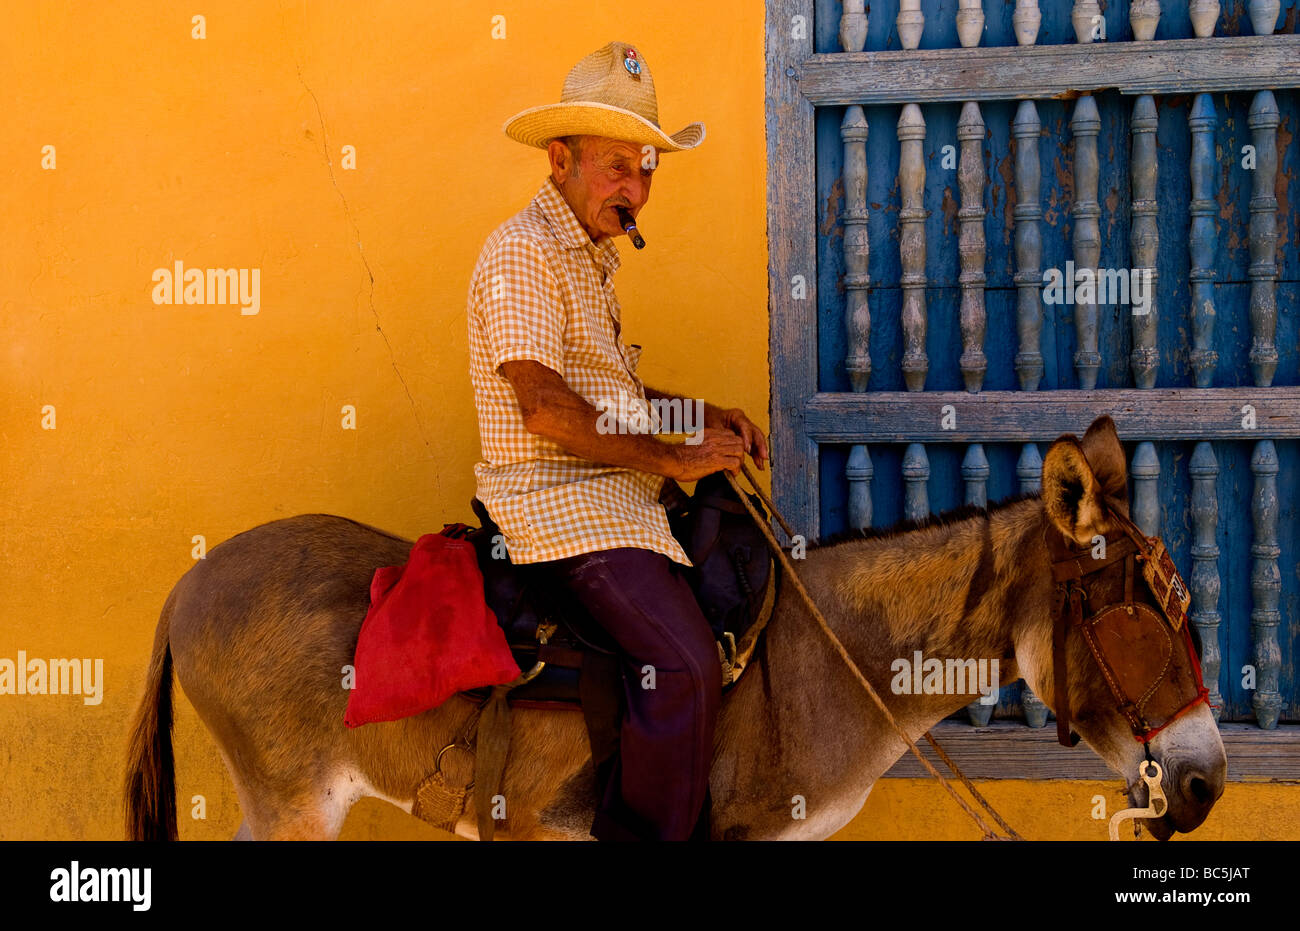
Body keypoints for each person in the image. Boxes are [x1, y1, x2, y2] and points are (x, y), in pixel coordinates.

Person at [466, 41, 768, 840]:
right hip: (556, 511)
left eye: (646, 170)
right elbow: (548, 410)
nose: (635, 190)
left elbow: (618, 401)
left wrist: (699, 418)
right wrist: (673, 457)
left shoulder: (590, 258)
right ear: (559, 160)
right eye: (615, 169)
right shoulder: (524, 254)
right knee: (686, 664)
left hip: (615, 498)